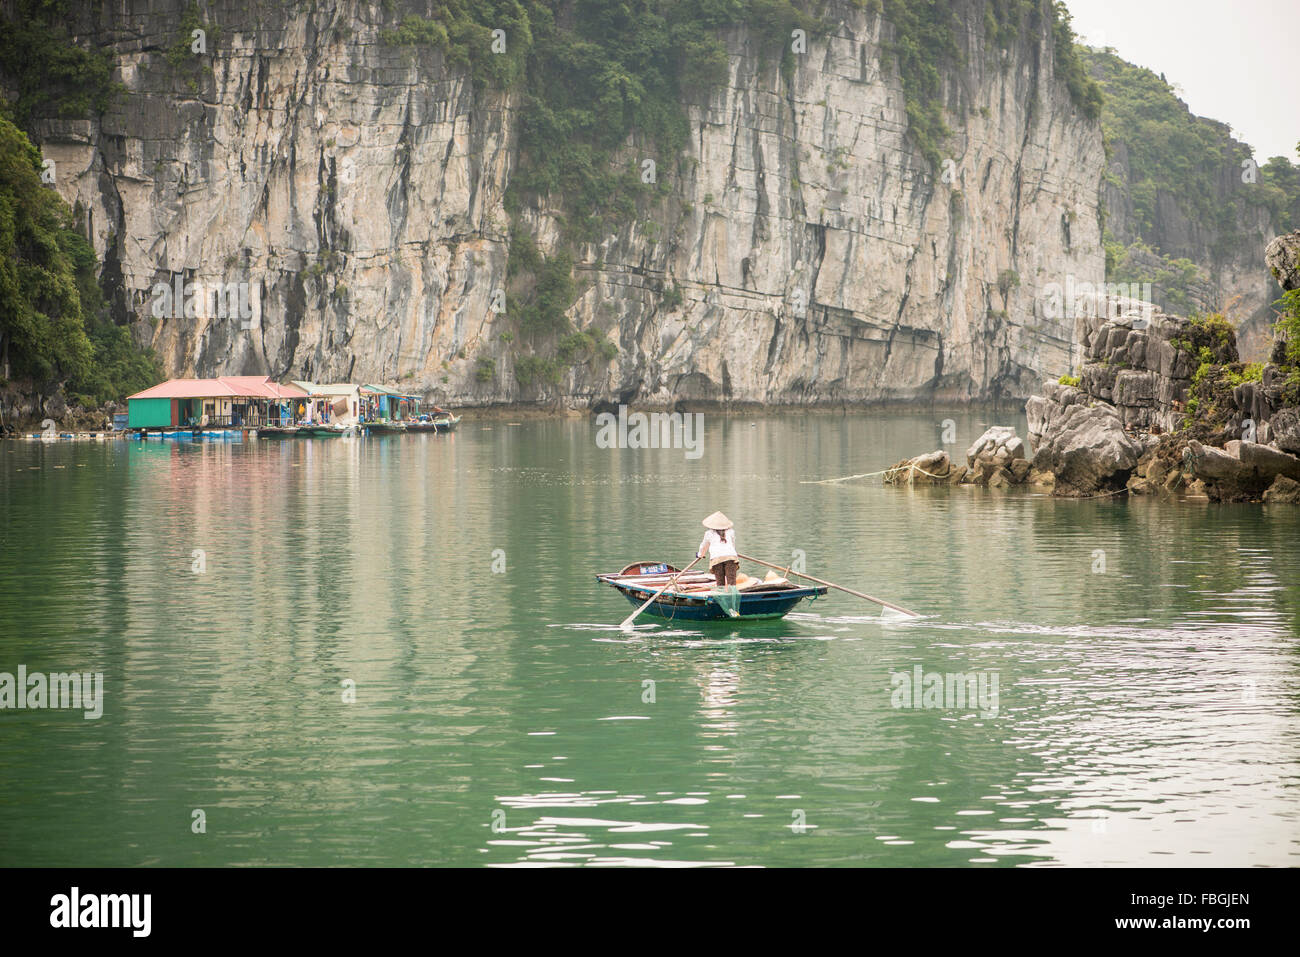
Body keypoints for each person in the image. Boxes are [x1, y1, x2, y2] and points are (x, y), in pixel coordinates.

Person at [697, 511, 739, 587]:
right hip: (731, 557)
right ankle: (732, 596)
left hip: (716, 559)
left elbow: (704, 547)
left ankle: (722, 596)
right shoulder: (731, 531)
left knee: (720, 584)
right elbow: (733, 546)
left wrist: (700, 555)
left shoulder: (709, 533)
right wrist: (733, 553)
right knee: (732, 584)